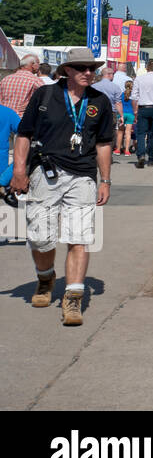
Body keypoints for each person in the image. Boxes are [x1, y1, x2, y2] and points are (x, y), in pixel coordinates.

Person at [11, 48, 114, 326]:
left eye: (92, 68)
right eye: (81, 68)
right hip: (45, 173)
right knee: (41, 237)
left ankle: (73, 298)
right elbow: (24, 134)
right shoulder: (45, 96)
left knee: (78, 237)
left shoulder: (100, 101)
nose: (88, 73)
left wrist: (104, 179)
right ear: (67, 70)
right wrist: (19, 170)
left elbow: (104, 143)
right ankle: (46, 278)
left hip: (82, 175)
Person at [0, 54, 44, 118]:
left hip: (3, 117)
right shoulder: (35, 80)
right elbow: (48, 97)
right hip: (21, 119)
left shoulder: (6, 79)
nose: (39, 66)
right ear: (32, 65)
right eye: (38, 63)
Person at [118, 81, 135, 156]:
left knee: (120, 132)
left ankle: (118, 149)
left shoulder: (122, 94)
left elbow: (119, 104)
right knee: (128, 133)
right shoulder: (133, 95)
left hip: (122, 114)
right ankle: (127, 151)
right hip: (130, 114)